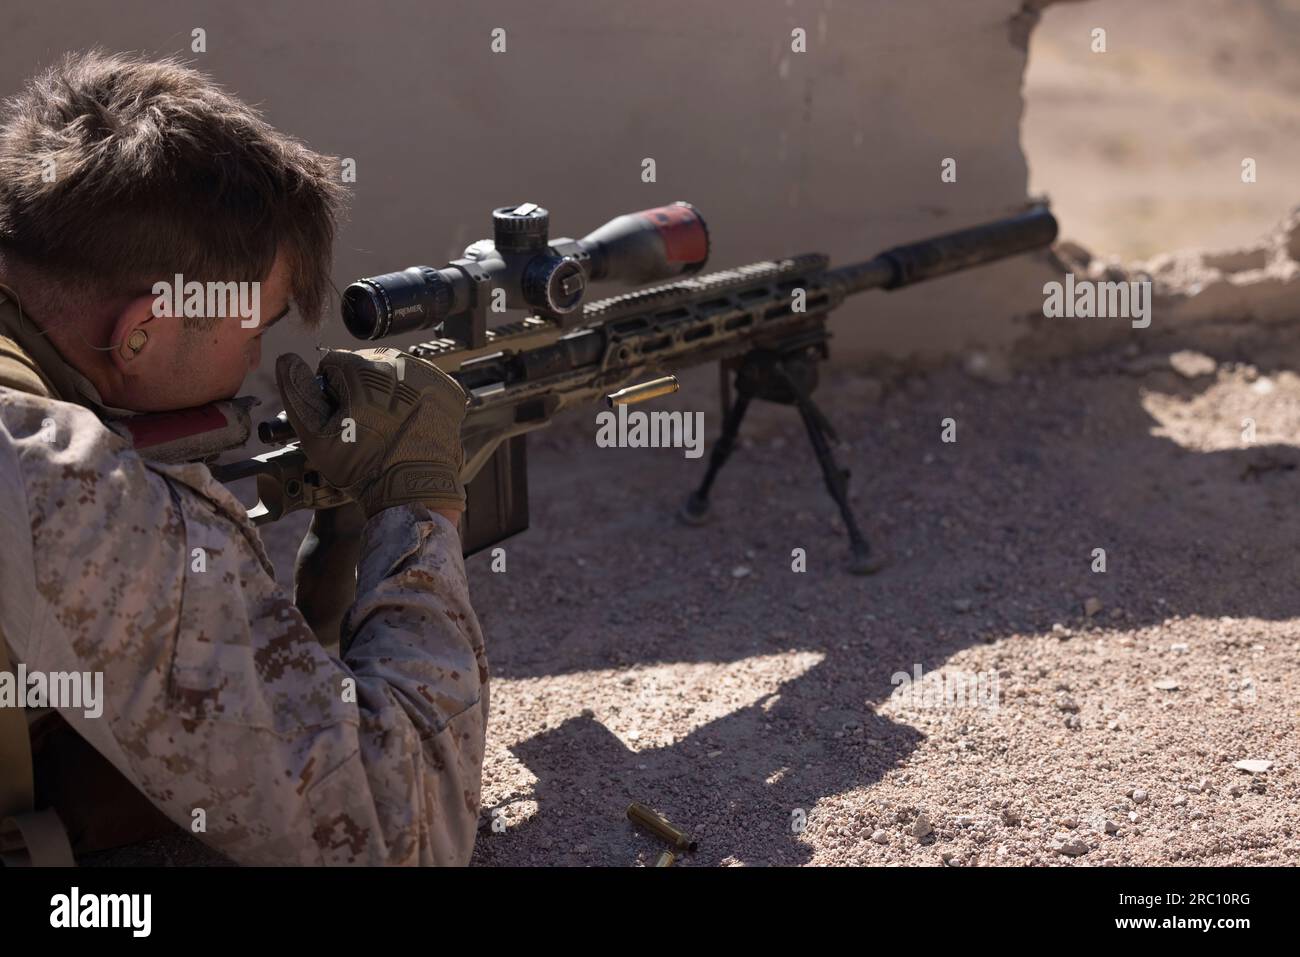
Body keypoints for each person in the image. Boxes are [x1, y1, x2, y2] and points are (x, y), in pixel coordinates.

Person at [0, 50, 489, 865]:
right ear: (144, 330)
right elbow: (400, 830)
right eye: (256, 328)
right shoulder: (62, 479)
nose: (258, 357)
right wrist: (420, 498)